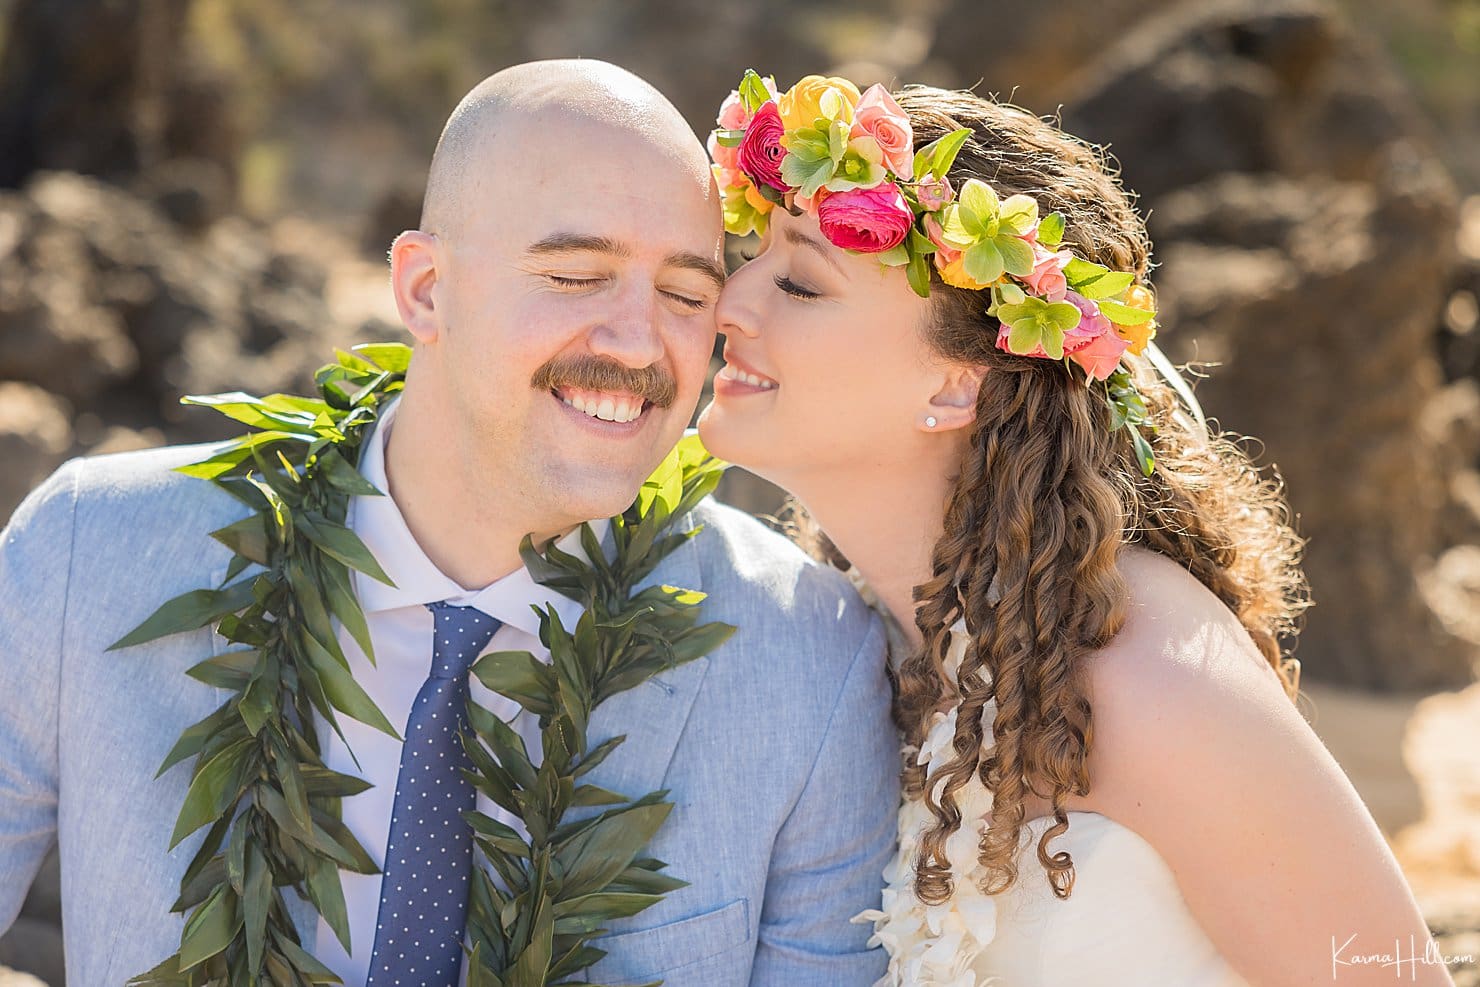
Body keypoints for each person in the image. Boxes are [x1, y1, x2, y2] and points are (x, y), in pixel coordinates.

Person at [0, 60, 899, 987]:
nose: (638, 341)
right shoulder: (84, 553)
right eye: (575, 274)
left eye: (683, 294)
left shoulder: (808, 665)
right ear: (426, 289)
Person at [698, 73, 1453, 986]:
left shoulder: (1149, 673)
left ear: (954, 386)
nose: (728, 302)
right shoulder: (855, 644)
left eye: (802, 284)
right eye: (751, 253)